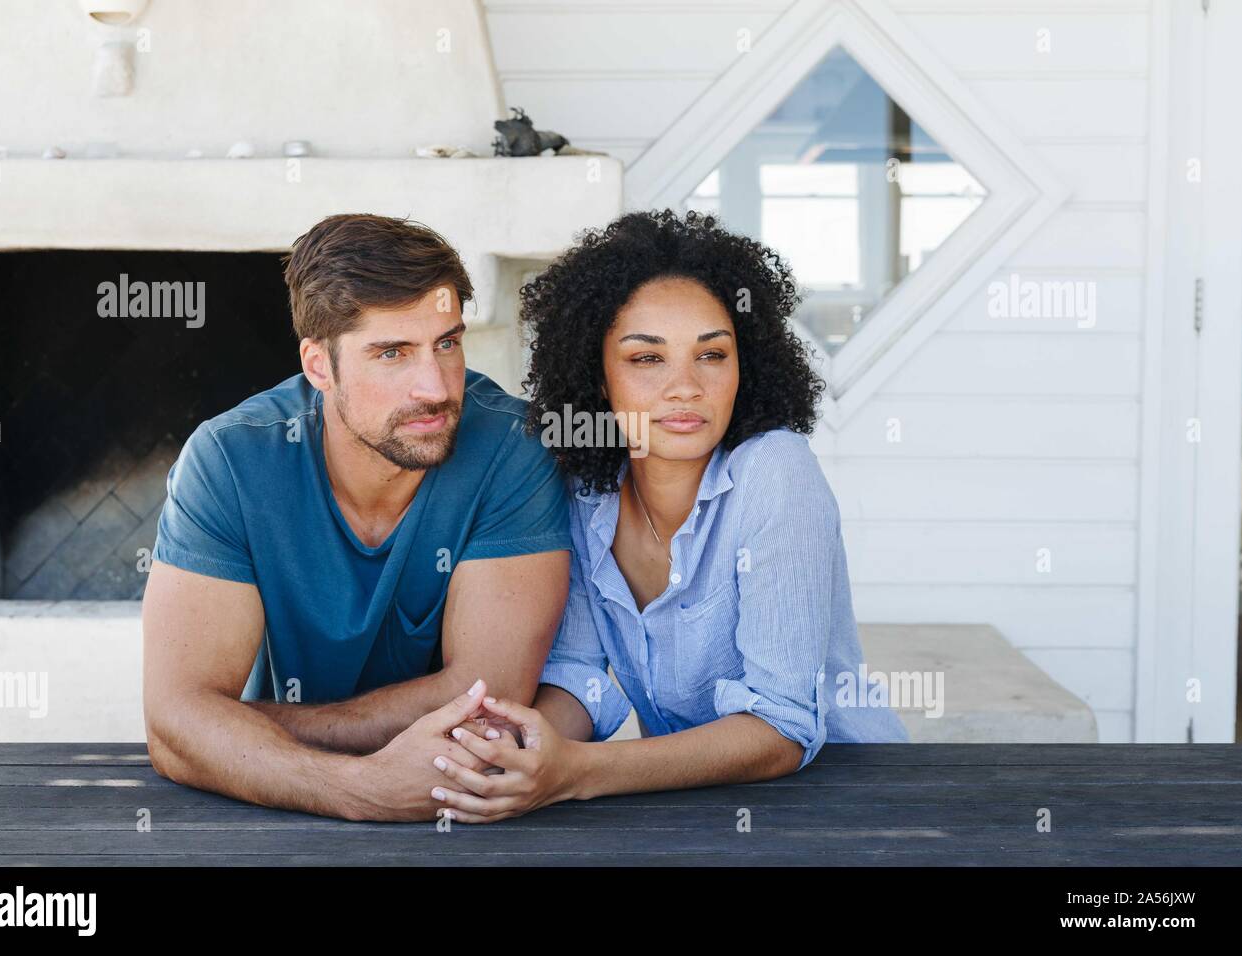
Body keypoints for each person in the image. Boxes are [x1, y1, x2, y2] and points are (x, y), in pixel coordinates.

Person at [429, 209, 908, 824]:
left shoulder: (774, 474)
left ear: (745, 366)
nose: (685, 387)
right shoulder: (586, 490)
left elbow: (781, 725)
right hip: (693, 804)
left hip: (847, 803)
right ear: (597, 376)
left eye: (711, 355)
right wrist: (517, 748)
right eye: (646, 359)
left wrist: (574, 773)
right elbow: (580, 674)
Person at [142, 213, 571, 822]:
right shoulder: (231, 461)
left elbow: (487, 698)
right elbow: (175, 726)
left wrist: (235, 726)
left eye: (447, 342)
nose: (436, 386)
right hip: (284, 820)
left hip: (470, 814)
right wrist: (364, 788)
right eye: (392, 352)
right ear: (319, 366)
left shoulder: (512, 449)